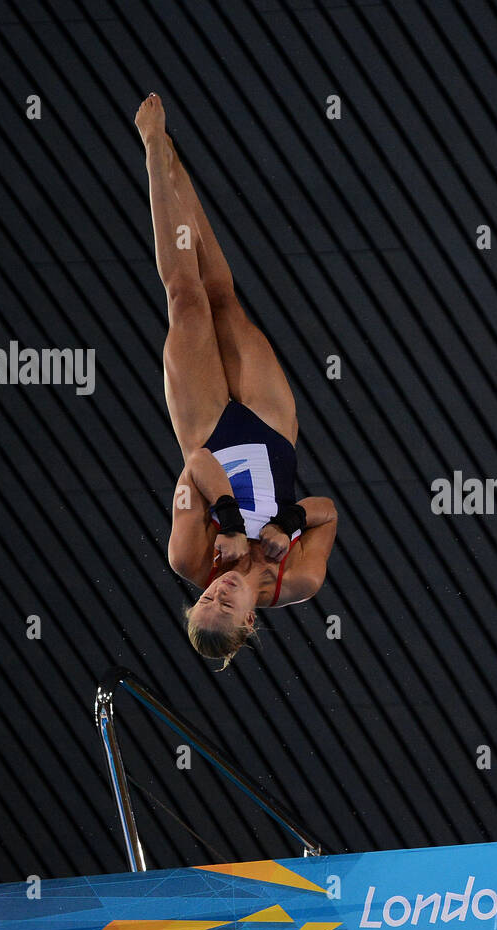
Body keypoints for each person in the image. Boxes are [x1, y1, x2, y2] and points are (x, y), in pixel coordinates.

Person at [136, 93, 338, 667]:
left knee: (186, 301)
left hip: (207, 429)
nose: (217, 592)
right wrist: (292, 519)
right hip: (274, 432)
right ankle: (177, 173)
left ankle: (156, 155)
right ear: (250, 618)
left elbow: (197, 464)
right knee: (224, 299)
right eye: (225, 606)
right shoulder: (297, 581)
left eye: (204, 601)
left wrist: (226, 519)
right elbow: (328, 511)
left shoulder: (188, 557)